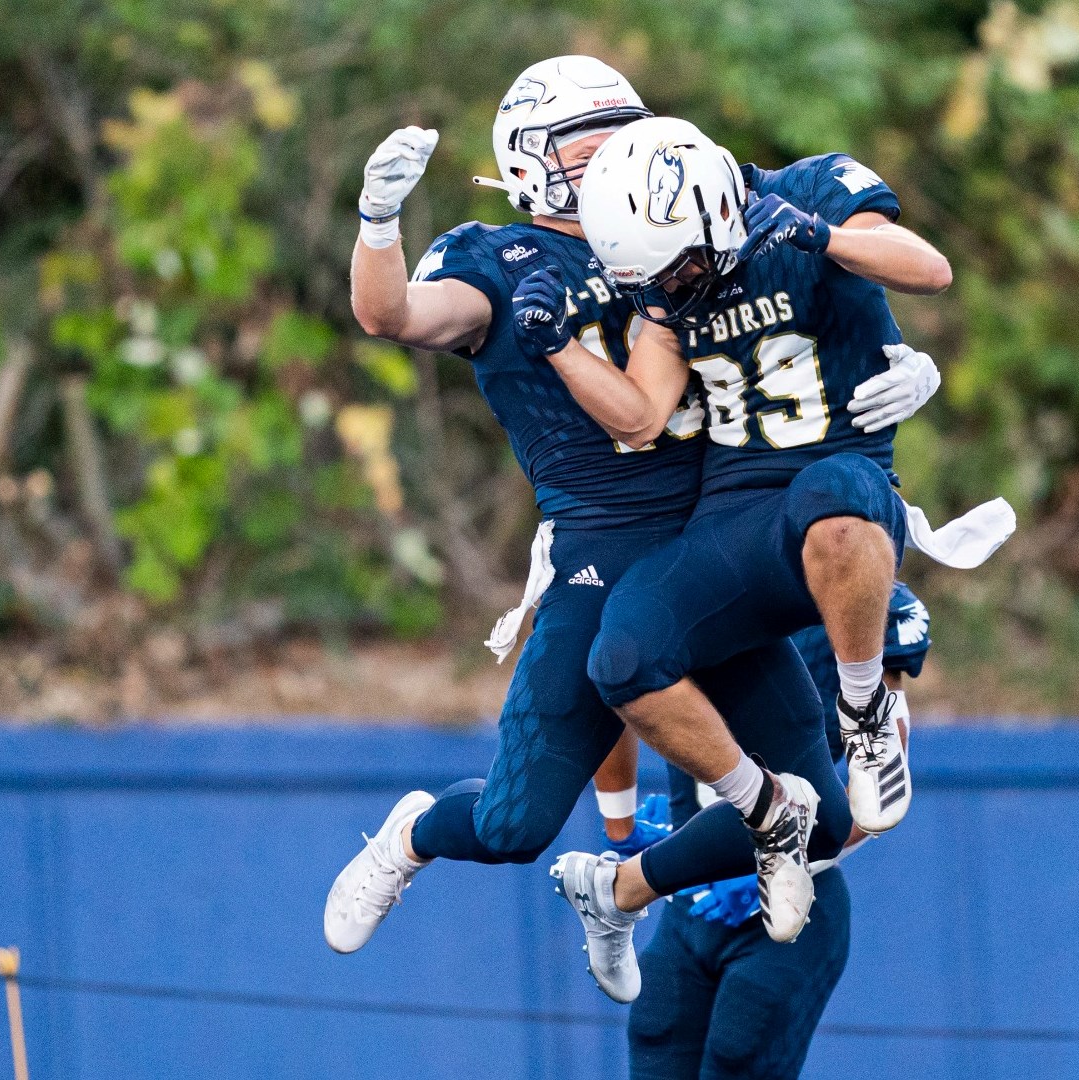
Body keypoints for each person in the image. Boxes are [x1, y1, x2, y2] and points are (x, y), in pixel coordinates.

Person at [320, 58, 943, 1002]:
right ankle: (413, 833)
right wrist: (377, 226)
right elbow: (392, 313)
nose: (606, 153)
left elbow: (811, 316)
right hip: (600, 554)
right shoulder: (504, 260)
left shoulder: (684, 218)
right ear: (528, 164)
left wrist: (901, 366)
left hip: (722, 532)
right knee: (511, 824)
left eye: (619, 129)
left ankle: (624, 883)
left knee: (820, 820)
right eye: (580, 142)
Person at [514, 115, 1011, 949]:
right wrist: (560, 348)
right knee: (621, 653)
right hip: (735, 522)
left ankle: (863, 708)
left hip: (839, 489)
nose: (675, 290)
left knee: (836, 500)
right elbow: (639, 418)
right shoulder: (664, 286)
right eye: (657, 281)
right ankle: (766, 813)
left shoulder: (809, 195)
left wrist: (824, 241)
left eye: (683, 268)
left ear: (716, 212)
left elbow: (929, 268)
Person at [624, 583, 930, 1080]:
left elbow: (876, 790)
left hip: (793, 894)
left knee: (741, 1046)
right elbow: (616, 690)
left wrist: (763, 856)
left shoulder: (863, 597)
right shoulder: (692, 579)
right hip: (693, 901)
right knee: (656, 1033)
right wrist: (638, 826)